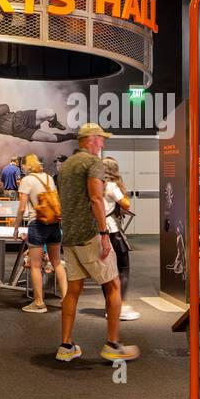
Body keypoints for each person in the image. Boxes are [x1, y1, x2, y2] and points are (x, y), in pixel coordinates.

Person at [55, 124, 140, 362]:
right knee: (113, 287)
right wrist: (104, 234)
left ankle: (66, 346)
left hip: (70, 236)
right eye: (101, 139)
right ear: (91, 140)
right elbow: (95, 198)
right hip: (90, 234)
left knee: (73, 290)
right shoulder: (94, 163)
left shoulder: (67, 165)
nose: (103, 144)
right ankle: (113, 344)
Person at [16, 153, 65, 314]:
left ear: (26, 166)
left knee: (35, 265)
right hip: (53, 223)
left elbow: (22, 208)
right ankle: (66, 298)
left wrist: (17, 227)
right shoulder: (48, 178)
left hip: (37, 224)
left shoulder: (26, 180)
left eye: (22, 165)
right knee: (57, 262)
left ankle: (38, 303)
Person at [101, 157, 140, 321]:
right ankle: (120, 305)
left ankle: (110, 304)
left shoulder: (97, 185)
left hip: (100, 231)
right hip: (113, 232)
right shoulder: (112, 186)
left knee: (105, 271)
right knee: (123, 268)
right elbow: (126, 204)